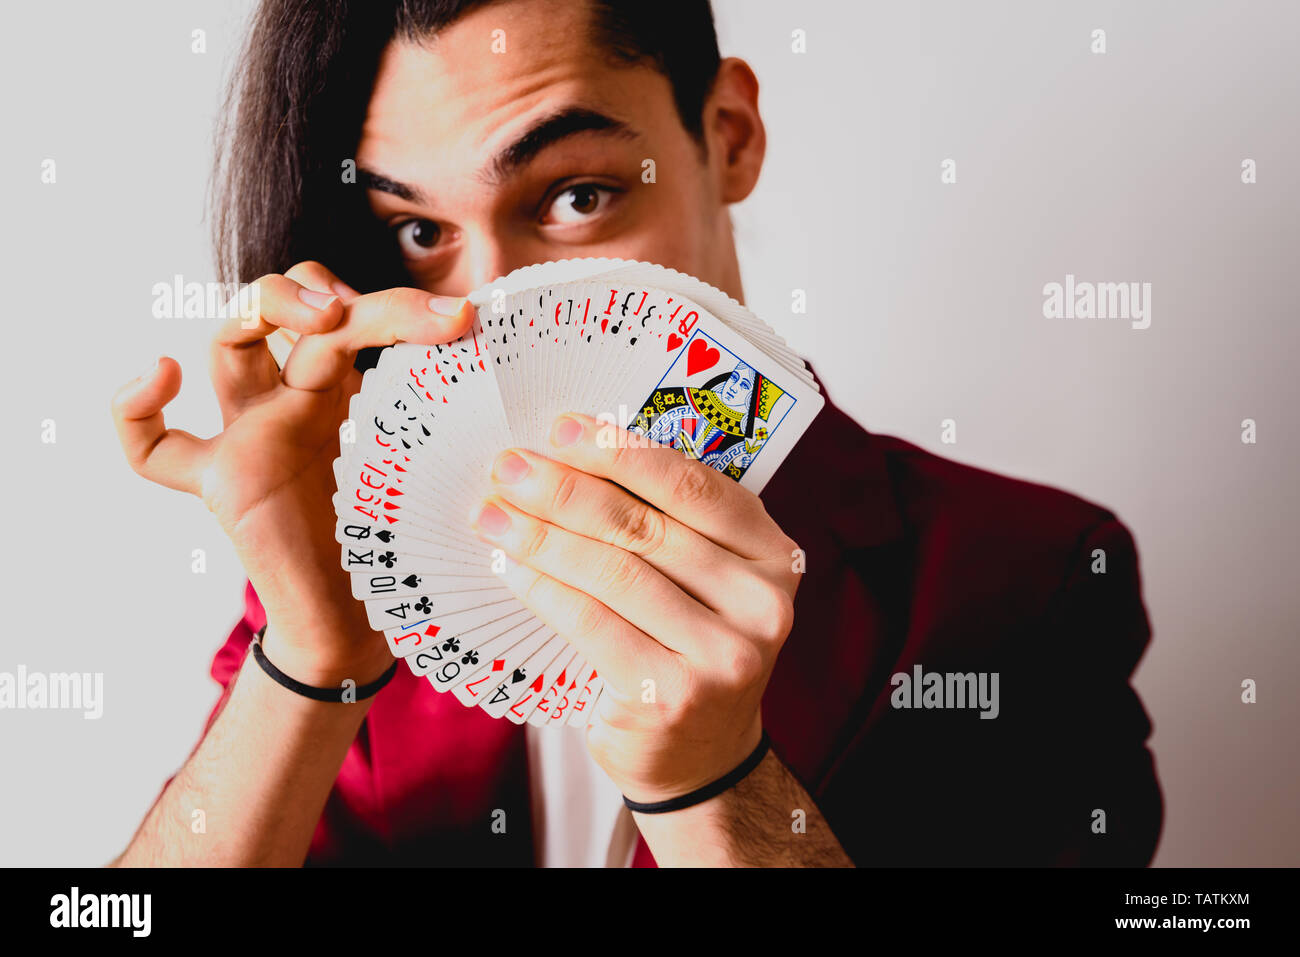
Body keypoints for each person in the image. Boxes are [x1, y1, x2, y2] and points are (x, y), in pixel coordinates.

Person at [108, 0, 1162, 867]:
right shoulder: (362, 574)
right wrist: (310, 659)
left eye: (576, 195)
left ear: (730, 136)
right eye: (419, 232)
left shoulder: (1028, 575)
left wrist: (710, 786)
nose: (493, 310)